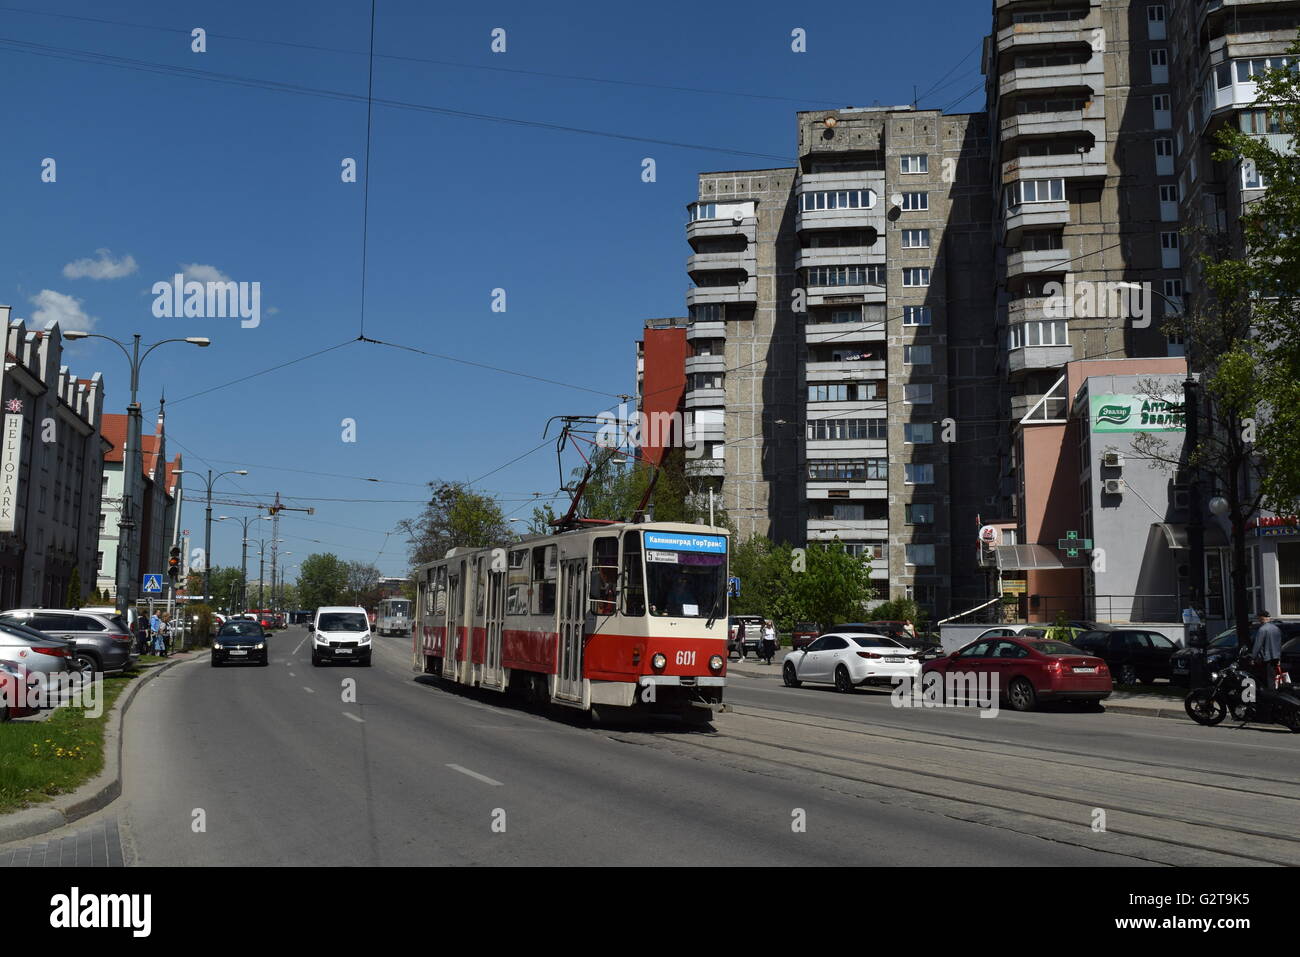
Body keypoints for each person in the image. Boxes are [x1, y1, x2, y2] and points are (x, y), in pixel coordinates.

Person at [1252, 610, 1283, 692]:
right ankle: (1275, 694)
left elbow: (1257, 645)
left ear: (1262, 618)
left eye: (1258, 618)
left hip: (1266, 658)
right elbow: (1279, 644)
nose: (1258, 620)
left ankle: (1270, 697)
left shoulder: (1262, 629)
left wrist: (1252, 657)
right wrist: (1279, 658)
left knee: (1267, 679)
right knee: (1272, 678)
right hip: (1276, 657)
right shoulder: (1276, 628)